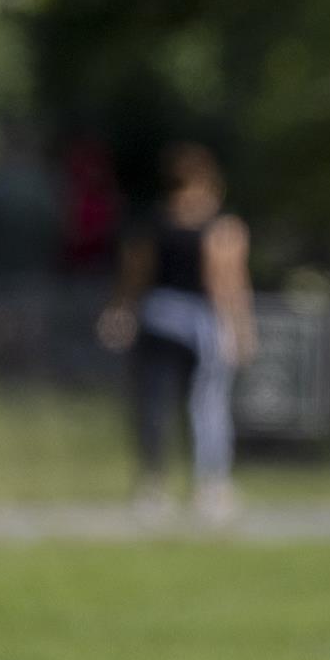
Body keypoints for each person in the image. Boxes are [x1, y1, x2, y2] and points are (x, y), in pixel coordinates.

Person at [98, 144, 257, 524]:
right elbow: (226, 283)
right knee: (208, 406)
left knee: (153, 404)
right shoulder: (222, 228)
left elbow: (134, 276)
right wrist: (240, 330)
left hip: (158, 315)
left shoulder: (153, 224)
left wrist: (120, 312)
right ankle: (211, 487)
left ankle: (152, 486)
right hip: (201, 320)